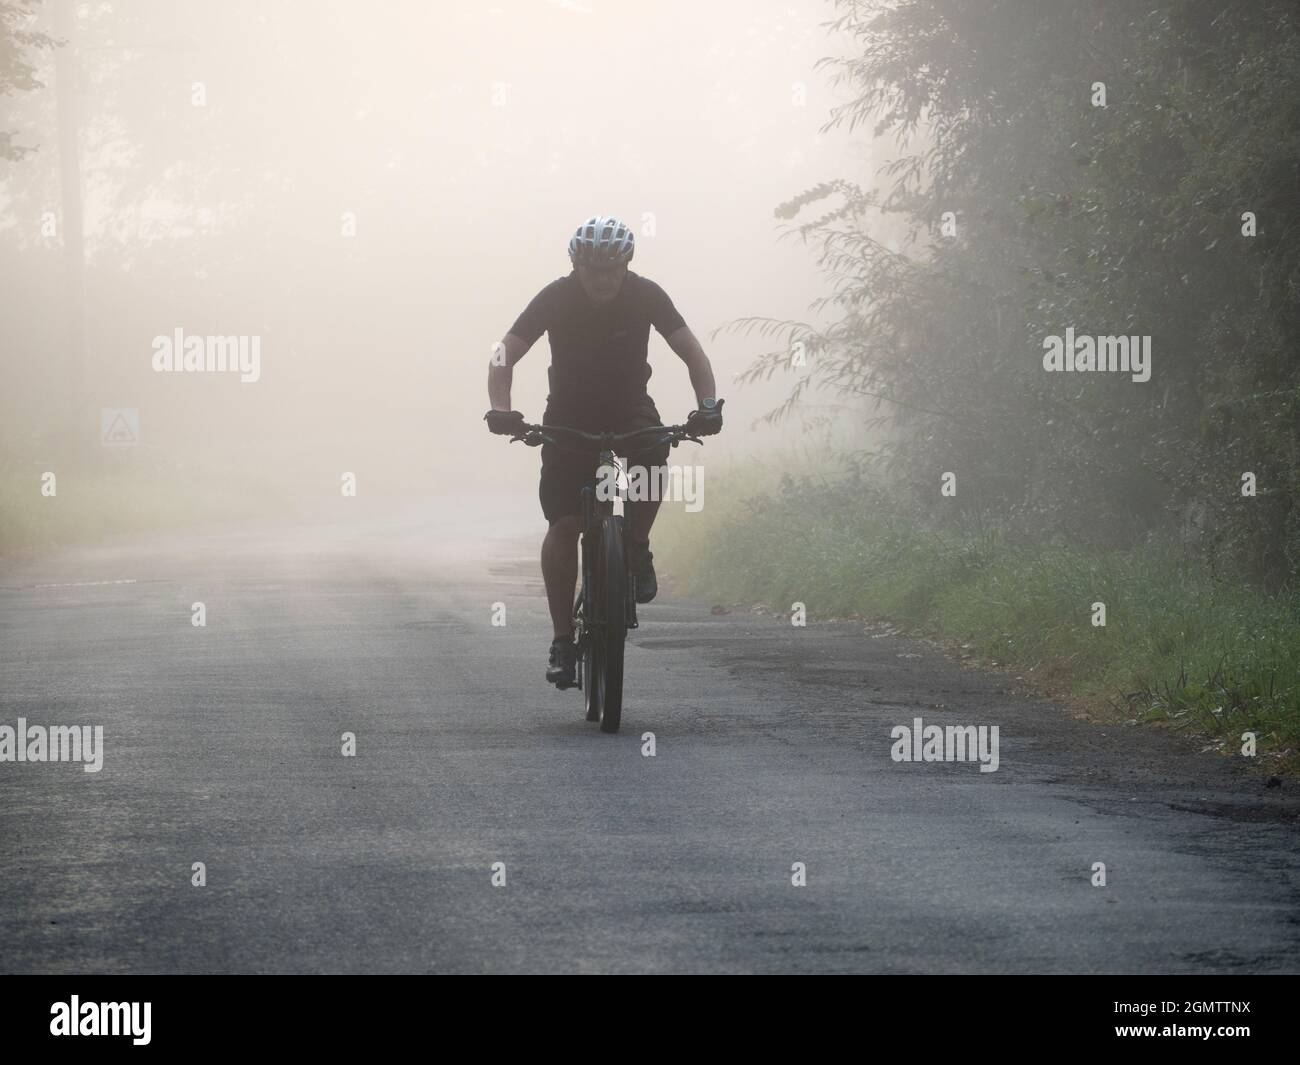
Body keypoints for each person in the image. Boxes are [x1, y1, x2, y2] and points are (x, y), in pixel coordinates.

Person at [485, 215, 723, 687]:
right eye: (591, 268)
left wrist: (708, 406)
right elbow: (503, 354)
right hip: (568, 415)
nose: (601, 279)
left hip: (629, 407)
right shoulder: (555, 297)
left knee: (654, 455)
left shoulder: (647, 295)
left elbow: (693, 354)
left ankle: (636, 548)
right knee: (565, 523)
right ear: (575, 265)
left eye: (611, 268)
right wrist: (502, 409)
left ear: (626, 265)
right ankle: (561, 639)